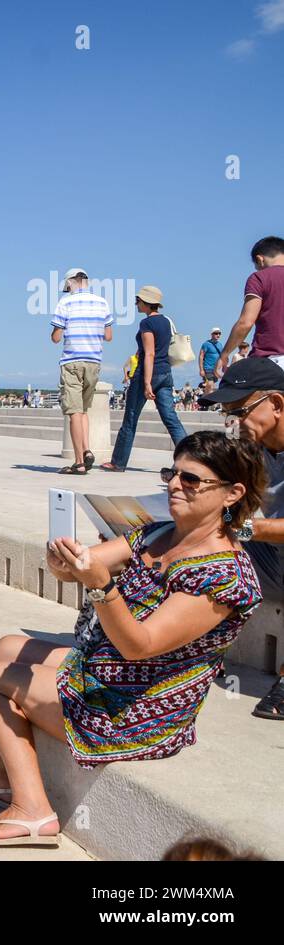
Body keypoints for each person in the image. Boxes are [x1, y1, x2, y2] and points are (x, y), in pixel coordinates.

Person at [0, 431, 262, 847]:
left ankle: (34, 811)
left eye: (191, 479)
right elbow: (86, 564)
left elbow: (140, 645)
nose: (174, 484)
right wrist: (63, 561)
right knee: (10, 646)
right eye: (171, 473)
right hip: (113, 674)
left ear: (232, 494)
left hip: (141, 706)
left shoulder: (223, 575)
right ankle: (0, 777)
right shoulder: (157, 535)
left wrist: (103, 588)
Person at [198, 357, 284, 720]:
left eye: (241, 410)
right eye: (227, 412)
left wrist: (245, 528)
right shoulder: (255, 446)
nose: (233, 421)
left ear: (277, 404)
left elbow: (249, 525)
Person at [99, 285, 187, 472]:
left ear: (146, 303)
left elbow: (150, 354)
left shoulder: (147, 324)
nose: (136, 304)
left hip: (147, 374)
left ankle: (118, 462)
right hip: (166, 373)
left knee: (130, 419)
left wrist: (147, 382)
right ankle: (191, 458)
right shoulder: (165, 321)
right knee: (171, 418)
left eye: (138, 301)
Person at [51, 267, 114, 475]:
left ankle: (78, 462)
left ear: (71, 282)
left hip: (72, 360)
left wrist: (63, 328)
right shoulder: (102, 302)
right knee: (84, 410)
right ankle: (87, 449)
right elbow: (108, 336)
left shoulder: (65, 303)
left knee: (74, 413)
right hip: (94, 361)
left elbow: (56, 337)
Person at [217, 236, 284, 376]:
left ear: (260, 259)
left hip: (271, 362)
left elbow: (245, 323)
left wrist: (225, 354)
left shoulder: (260, 278)